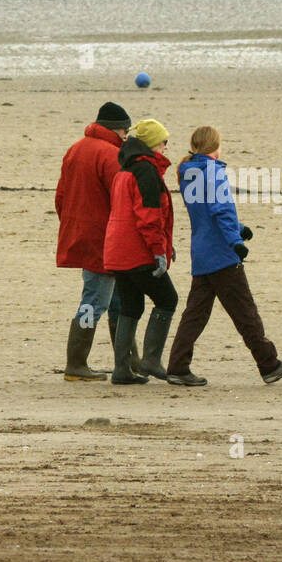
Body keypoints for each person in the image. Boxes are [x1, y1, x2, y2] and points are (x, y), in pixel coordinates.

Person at [166, 126, 282, 386]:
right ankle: (269, 364)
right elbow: (221, 209)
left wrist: (239, 228)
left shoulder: (188, 172)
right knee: (245, 313)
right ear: (215, 147)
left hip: (202, 252)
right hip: (221, 254)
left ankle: (178, 366)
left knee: (195, 314)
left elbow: (207, 212)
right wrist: (235, 240)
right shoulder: (214, 172)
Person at [55, 101, 141, 381]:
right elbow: (122, 201)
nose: (126, 136)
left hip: (82, 234)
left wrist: (71, 226)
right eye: (125, 131)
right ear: (117, 130)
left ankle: (127, 363)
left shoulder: (76, 149)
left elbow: (60, 197)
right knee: (96, 300)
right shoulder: (112, 155)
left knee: (116, 299)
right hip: (105, 239)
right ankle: (77, 364)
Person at [103, 119, 177, 384]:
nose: (166, 147)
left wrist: (167, 246)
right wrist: (159, 250)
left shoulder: (125, 169)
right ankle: (151, 359)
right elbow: (149, 216)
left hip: (117, 251)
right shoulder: (145, 170)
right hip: (138, 253)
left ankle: (122, 369)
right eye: (163, 141)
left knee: (131, 306)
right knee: (168, 299)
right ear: (151, 144)